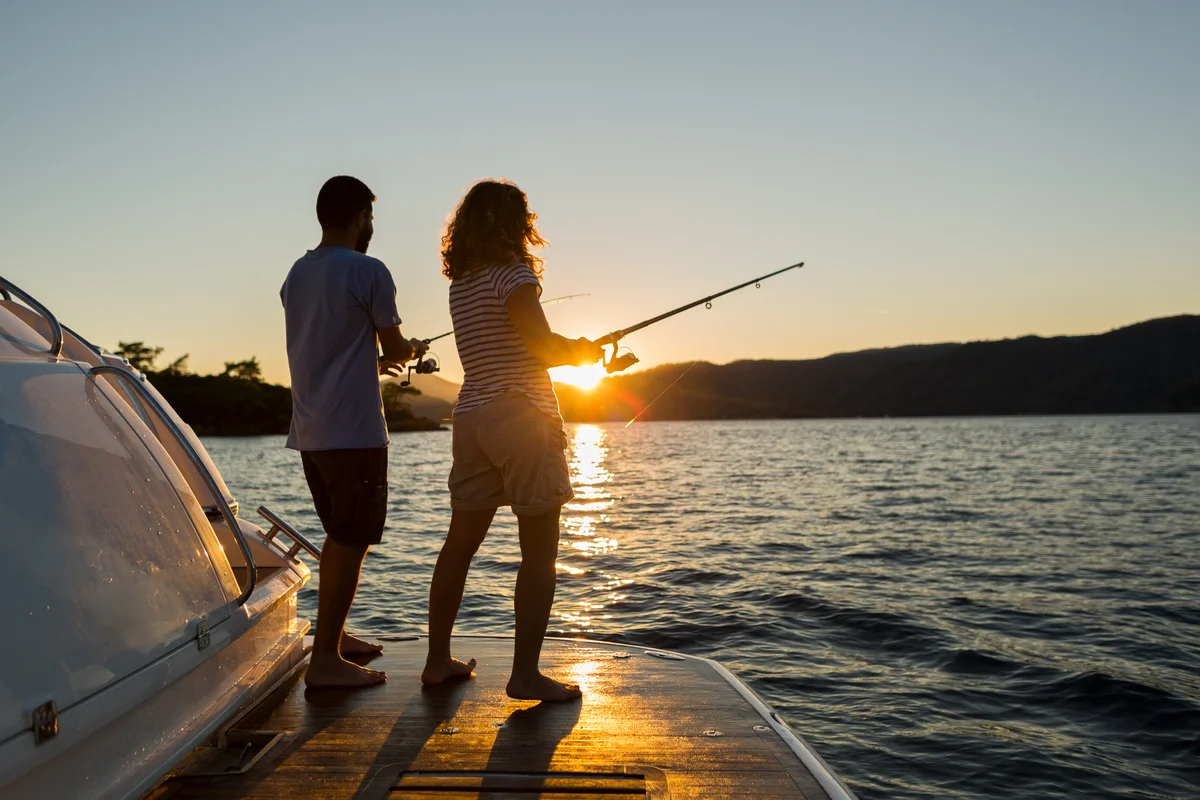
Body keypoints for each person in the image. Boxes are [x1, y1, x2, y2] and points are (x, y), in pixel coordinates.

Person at [422, 179, 602, 702]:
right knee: (539, 554)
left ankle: (437, 660)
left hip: (472, 417)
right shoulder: (513, 274)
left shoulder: (462, 284)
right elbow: (541, 346)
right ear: (516, 223)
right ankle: (524, 674)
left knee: (459, 545)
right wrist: (585, 351)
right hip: (522, 416)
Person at [281, 175, 428, 689]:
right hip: (355, 432)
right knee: (352, 539)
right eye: (371, 217)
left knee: (339, 536)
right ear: (361, 217)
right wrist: (409, 350)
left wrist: (375, 361)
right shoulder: (369, 270)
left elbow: (332, 345)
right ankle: (324, 660)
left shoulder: (297, 274)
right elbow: (396, 345)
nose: (372, 226)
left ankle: (334, 640)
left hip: (311, 432)